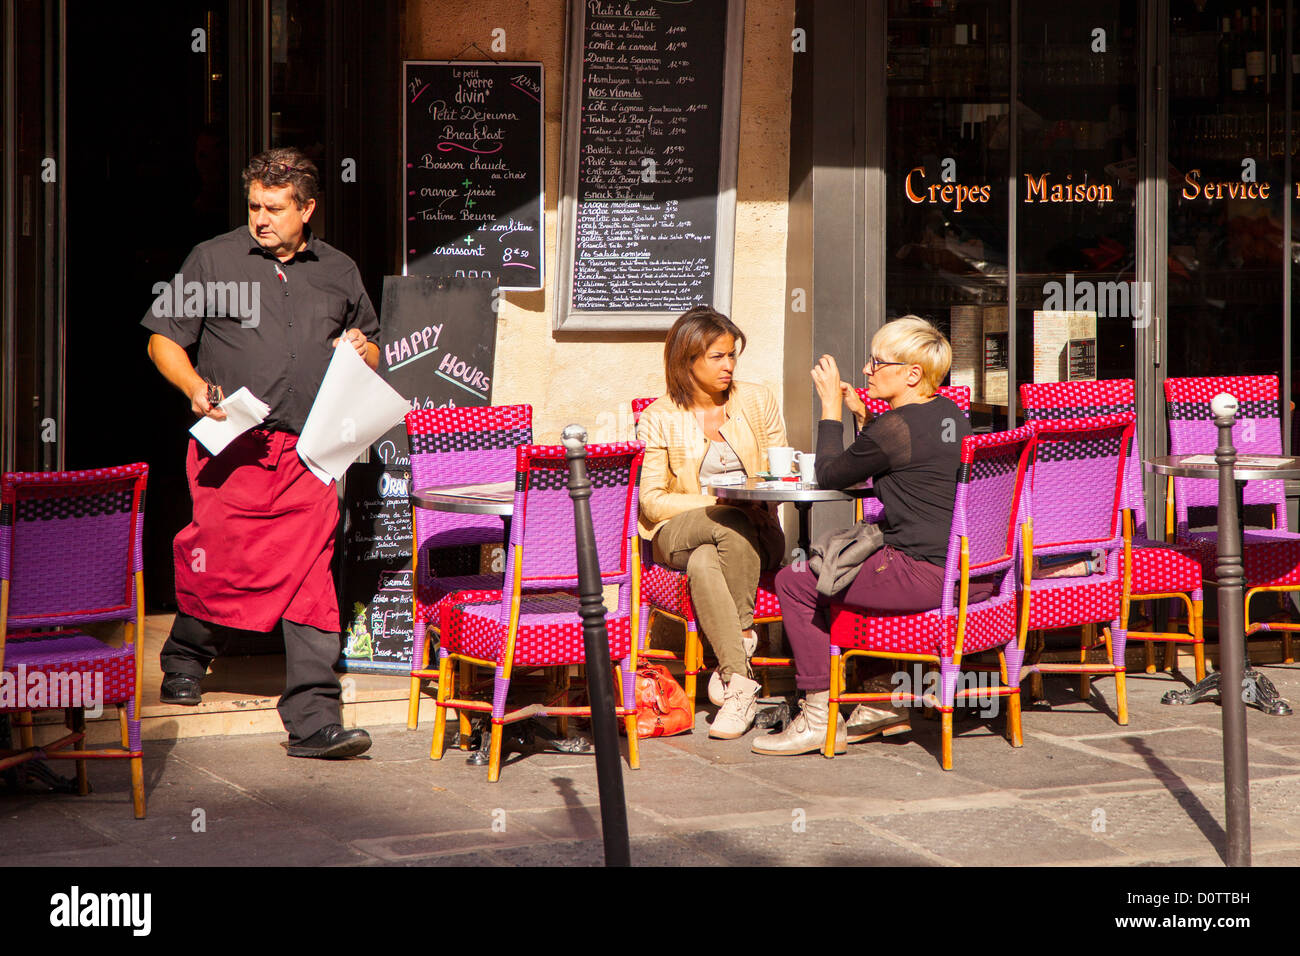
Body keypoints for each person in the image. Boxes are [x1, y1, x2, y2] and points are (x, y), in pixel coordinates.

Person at [142, 147, 378, 759]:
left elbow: (372, 347)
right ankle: (187, 655)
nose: (261, 218)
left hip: (310, 452)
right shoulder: (212, 260)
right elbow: (163, 340)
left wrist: (362, 348)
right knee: (220, 557)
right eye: (254, 206)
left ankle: (313, 718)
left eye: (275, 208)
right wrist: (194, 386)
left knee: (308, 577)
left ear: (307, 209)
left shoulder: (339, 270)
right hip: (234, 447)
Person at [753, 315, 989, 756]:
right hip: (973, 572)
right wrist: (865, 419)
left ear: (912, 373)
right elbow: (902, 463)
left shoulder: (894, 429)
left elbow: (828, 473)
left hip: (926, 575)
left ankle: (819, 719)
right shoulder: (949, 413)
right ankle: (883, 699)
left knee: (797, 580)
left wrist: (828, 407)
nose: (865, 370)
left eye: (876, 362)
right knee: (852, 566)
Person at [638, 306, 788, 739]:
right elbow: (651, 501)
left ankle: (736, 679)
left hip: (757, 532)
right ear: (688, 361)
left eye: (732, 355)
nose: (729, 366)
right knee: (722, 524)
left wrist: (754, 494)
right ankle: (743, 639)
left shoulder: (756, 400)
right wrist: (714, 501)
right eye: (717, 357)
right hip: (678, 533)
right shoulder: (659, 416)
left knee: (707, 561)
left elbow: (782, 469)